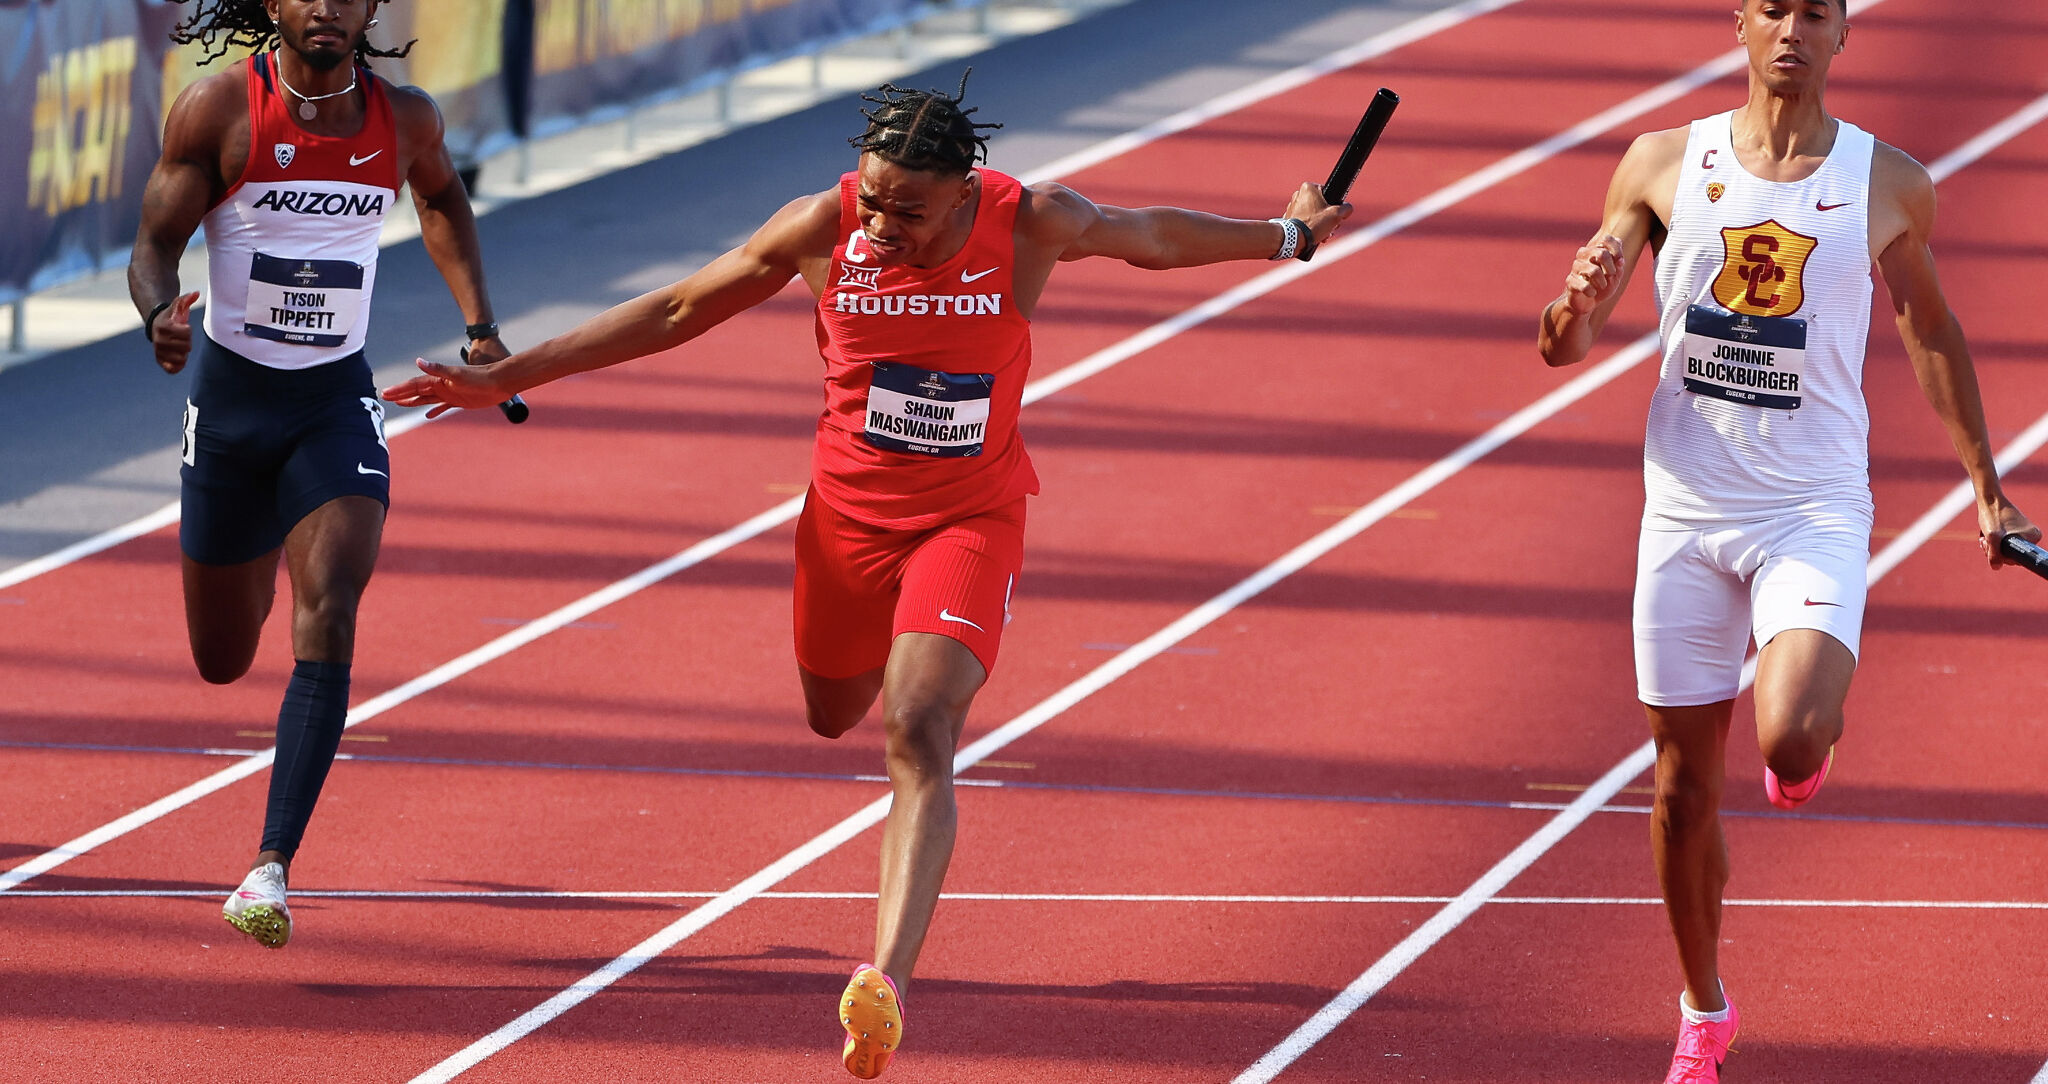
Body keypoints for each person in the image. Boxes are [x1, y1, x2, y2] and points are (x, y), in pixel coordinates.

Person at [382, 73, 1349, 1079]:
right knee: (831, 712)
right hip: (843, 524)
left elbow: (1152, 235)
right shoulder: (820, 227)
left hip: (968, 520)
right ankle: (877, 868)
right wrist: (509, 374)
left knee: (916, 727)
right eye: (874, 197)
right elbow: (676, 307)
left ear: (963, 191)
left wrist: (1287, 235)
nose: (883, 222)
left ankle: (884, 982)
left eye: (910, 210)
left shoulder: (1030, 223)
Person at [1535, 1, 2038, 1080]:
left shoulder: (1885, 182)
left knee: (1793, 738)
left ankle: (1797, 743)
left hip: (1810, 506)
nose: (1789, 29)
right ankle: (1700, 1012)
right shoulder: (1662, 161)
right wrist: (1569, 309)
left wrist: (1985, 489)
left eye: (1812, 10)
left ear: (1841, 32)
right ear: (1737, 25)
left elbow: (1926, 329)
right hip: (1683, 509)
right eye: (1769, 8)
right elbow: (1566, 338)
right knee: (1678, 791)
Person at [129, 0, 509, 948]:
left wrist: (481, 328)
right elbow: (152, 248)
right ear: (274, 7)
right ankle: (256, 534)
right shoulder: (218, 110)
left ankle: (269, 868)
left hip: (333, 400)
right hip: (229, 408)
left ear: (372, 8)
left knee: (332, 600)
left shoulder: (405, 119)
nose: (328, 8)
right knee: (222, 660)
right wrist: (155, 316)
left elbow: (442, 200)